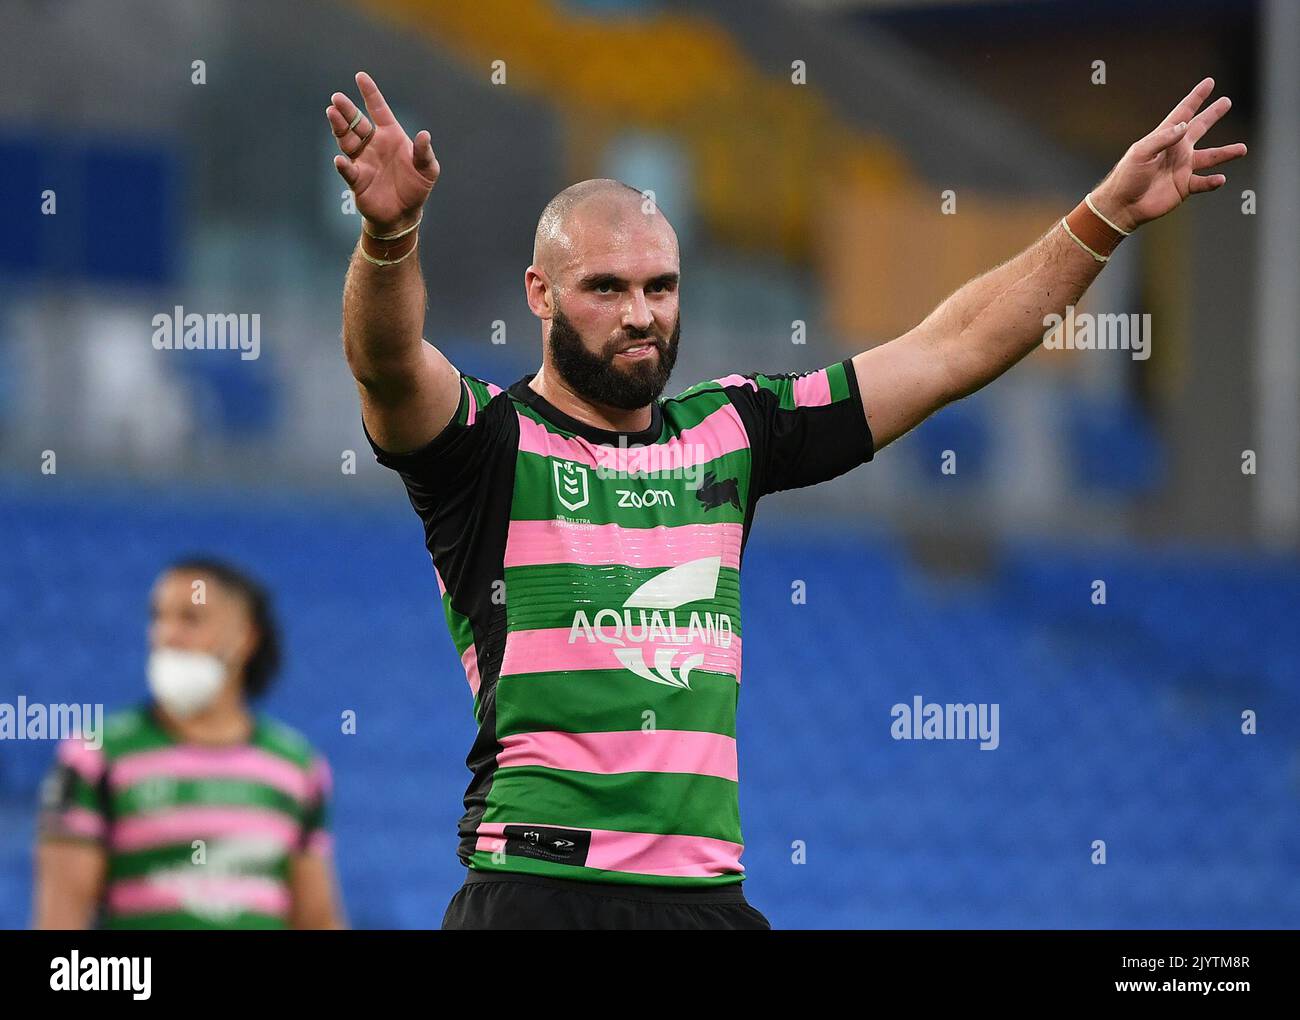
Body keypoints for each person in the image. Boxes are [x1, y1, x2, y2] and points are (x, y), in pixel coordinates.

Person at [326, 71, 1242, 930]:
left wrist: (1105, 215)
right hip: (536, 890)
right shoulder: (487, 446)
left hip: (707, 896)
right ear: (541, 294)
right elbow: (388, 361)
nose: (641, 314)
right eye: (605, 287)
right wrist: (390, 238)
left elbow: (949, 348)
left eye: (660, 286)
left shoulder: (734, 427)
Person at [34, 559, 345, 929]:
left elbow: (318, 920)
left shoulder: (297, 766)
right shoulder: (95, 756)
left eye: (190, 619)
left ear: (246, 637)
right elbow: (58, 922)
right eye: (158, 618)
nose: (167, 634)